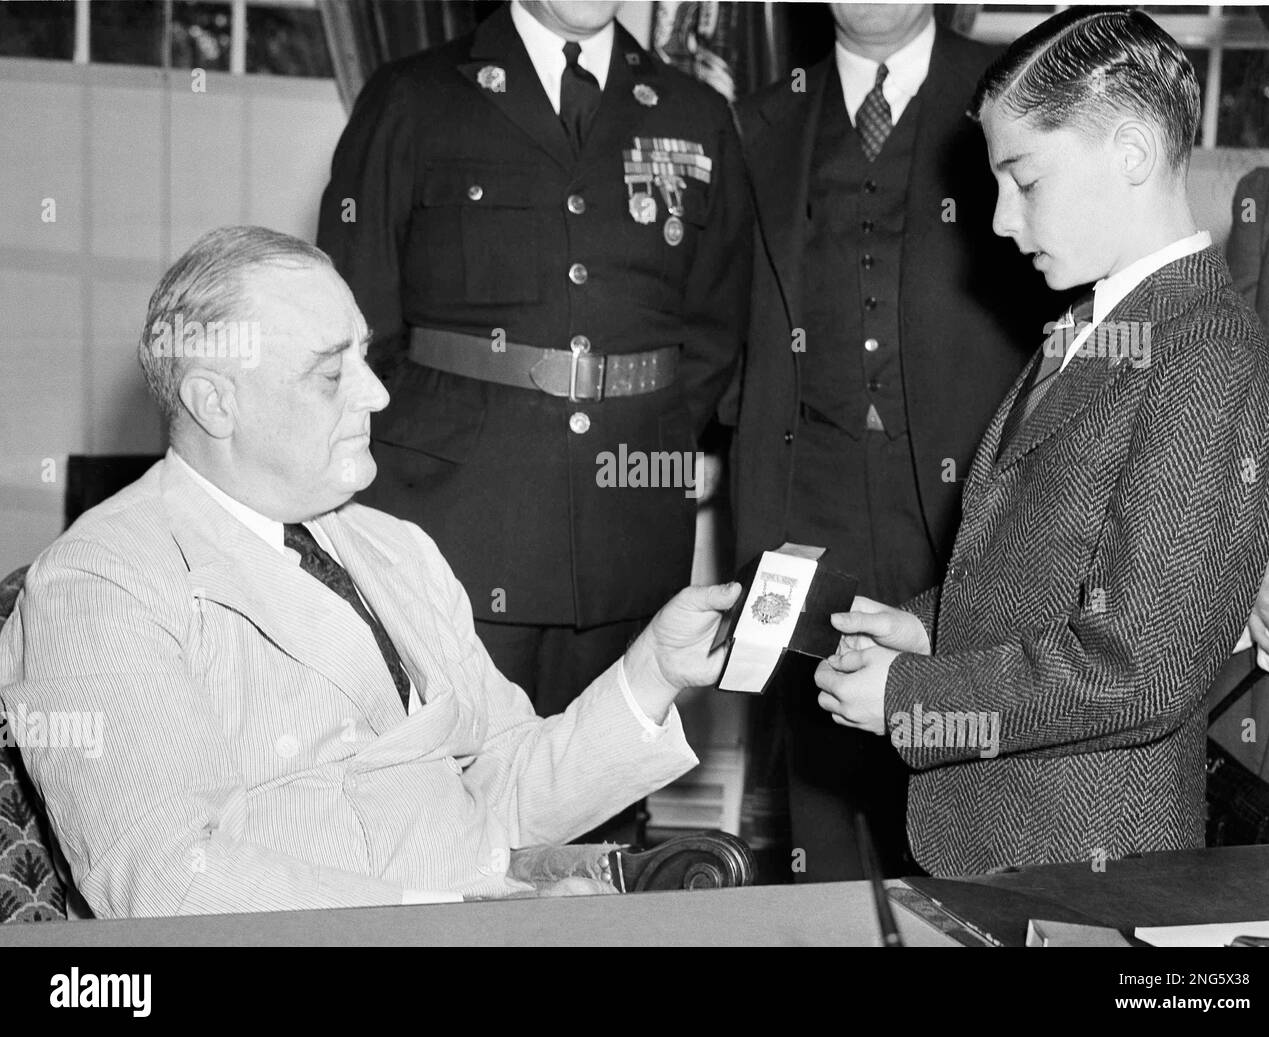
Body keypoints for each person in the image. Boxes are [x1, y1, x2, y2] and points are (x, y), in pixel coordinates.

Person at [0, 226, 741, 918]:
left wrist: (652, 673)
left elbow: (504, 793)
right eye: (332, 373)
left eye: (364, 353)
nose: (377, 393)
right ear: (214, 402)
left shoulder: (394, 546)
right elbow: (163, 879)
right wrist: (469, 920)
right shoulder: (99, 584)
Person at [813, 7, 1269, 877]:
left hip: (1083, 865)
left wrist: (912, 702)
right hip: (1006, 846)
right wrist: (927, 628)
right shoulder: (1100, 324)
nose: (999, 219)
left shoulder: (1204, 358)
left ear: (1134, 153)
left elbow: (1140, 668)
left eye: (1024, 181)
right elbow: (1051, 564)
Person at [316, 0, 751, 718]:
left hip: (628, 531)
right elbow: (355, 321)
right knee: (452, 791)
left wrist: (645, 432)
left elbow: (716, 323)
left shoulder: (695, 112)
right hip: (454, 524)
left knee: (603, 797)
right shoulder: (413, 97)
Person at [731, 3, 1058, 880]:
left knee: (968, 813)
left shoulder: (1022, 92)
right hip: (807, 511)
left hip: (971, 518)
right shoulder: (757, 118)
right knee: (823, 822)